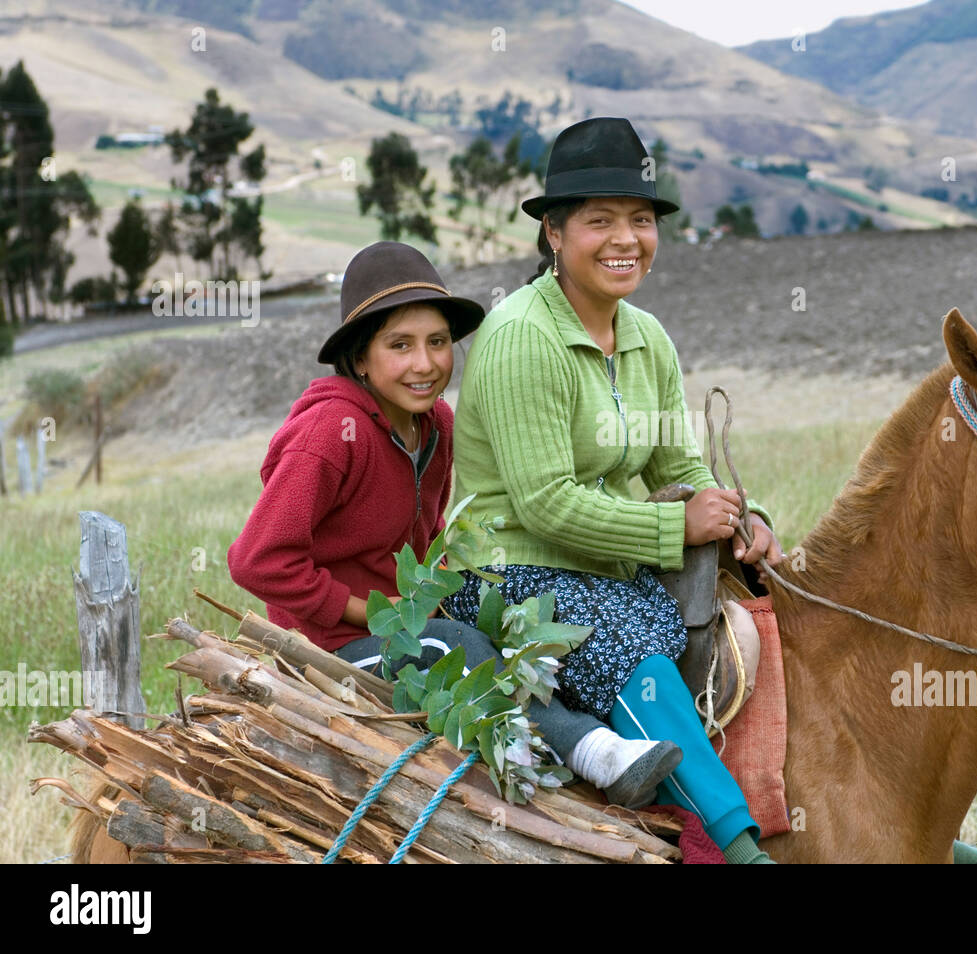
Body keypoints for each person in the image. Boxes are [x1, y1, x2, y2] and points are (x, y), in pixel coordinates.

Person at [226, 240, 682, 809]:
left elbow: (428, 535)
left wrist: (436, 592)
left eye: (438, 342)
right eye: (400, 345)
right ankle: (595, 753)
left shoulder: (434, 424)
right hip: (331, 648)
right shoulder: (330, 435)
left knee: (515, 633)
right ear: (360, 359)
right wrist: (373, 612)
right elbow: (255, 559)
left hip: (405, 626)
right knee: (462, 644)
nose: (425, 363)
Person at [441, 118, 784, 864]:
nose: (625, 238)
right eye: (599, 221)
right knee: (634, 647)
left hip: (600, 571)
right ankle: (737, 844)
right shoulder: (520, 337)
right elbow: (545, 504)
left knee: (758, 617)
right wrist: (673, 532)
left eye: (640, 220)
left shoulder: (646, 337)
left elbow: (676, 469)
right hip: (502, 576)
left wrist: (734, 519)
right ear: (555, 235)